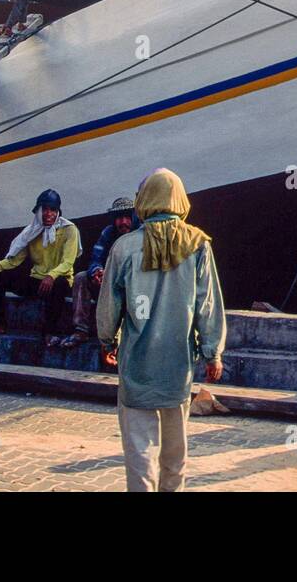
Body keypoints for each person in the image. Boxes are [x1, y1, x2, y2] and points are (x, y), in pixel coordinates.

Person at [96, 169, 226, 492]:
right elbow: (207, 304)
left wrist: (107, 341)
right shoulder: (198, 245)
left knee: (140, 451)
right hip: (177, 365)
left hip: (137, 364)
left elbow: (109, 304)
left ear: (143, 201)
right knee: (175, 452)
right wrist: (213, 353)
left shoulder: (124, 247)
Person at [0, 188, 80, 344]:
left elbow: (68, 262)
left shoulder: (69, 230)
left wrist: (51, 275)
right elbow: (14, 260)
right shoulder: (32, 231)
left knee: (59, 285)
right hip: (37, 280)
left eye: (53, 210)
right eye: (45, 209)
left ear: (58, 212)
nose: (48, 214)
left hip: (58, 279)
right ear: (38, 211)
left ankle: (50, 332)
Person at [60, 197, 139, 353]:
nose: (123, 222)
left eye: (127, 217)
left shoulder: (140, 233)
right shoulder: (108, 232)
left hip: (133, 287)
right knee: (81, 277)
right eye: (119, 218)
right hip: (108, 282)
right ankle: (81, 330)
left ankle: (122, 335)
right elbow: (96, 258)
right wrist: (96, 271)